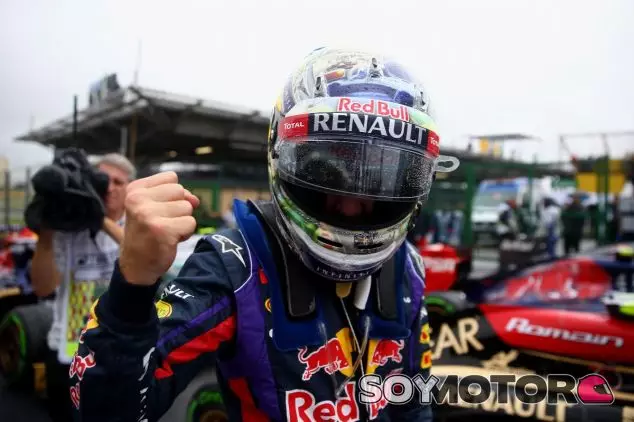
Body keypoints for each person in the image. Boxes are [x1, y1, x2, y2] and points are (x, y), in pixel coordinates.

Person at [72, 48, 455, 422]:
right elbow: (106, 410)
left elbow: (413, 401)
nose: (352, 205)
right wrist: (133, 286)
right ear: (282, 154)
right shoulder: (236, 264)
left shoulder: (408, 267)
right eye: (329, 172)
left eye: (381, 179)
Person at [30, 152, 135, 422]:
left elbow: (141, 258)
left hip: (119, 355)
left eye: (118, 182)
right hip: (68, 355)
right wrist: (47, 229)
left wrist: (98, 217)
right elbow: (43, 288)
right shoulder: (67, 230)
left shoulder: (136, 227)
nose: (109, 187)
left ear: (129, 189)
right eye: (102, 180)